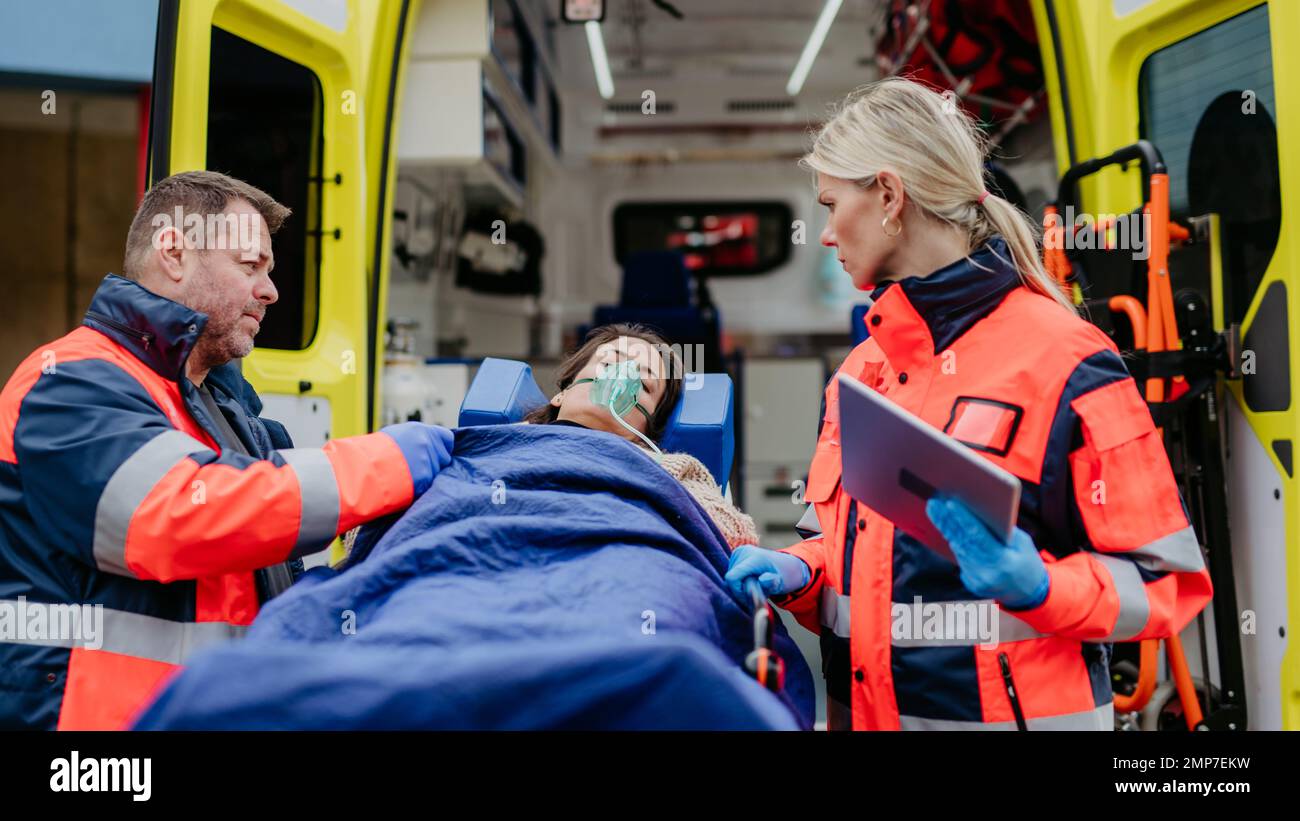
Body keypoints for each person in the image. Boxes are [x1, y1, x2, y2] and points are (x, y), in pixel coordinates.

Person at [725, 78, 1213, 730]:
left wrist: (1040, 587)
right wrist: (800, 569)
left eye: (830, 204)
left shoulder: (1066, 360)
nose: (824, 234)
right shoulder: (863, 371)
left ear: (890, 196)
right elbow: (847, 560)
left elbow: (1166, 581)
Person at [0, 170, 453, 729]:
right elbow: (181, 514)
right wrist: (386, 463)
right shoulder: (68, 383)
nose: (270, 290)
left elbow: (245, 565)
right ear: (174, 251)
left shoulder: (215, 403)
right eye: (250, 266)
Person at [523, 323, 756, 548]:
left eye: (644, 384)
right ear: (561, 395)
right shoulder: (510, 438)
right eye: (608, 363)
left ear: (646, 431)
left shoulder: (668, 469)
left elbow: (733, 534)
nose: (621, 378)